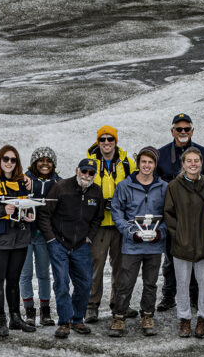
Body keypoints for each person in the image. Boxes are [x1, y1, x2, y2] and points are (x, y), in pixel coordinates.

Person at [38, 158, 104, 339]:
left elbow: (98, 217)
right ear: (77, 170)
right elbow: (44, 214)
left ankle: (77, 319)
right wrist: (51, 239)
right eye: (84, 171)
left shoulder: (97, 192)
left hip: (81, 245)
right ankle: (64, 322)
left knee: (85, 283)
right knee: (61, 283)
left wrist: (89, 237)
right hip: (59, 243)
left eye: (91, 173)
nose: (87, 175)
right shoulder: (61, 187)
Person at [156, 114, 204, 312]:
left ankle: (195, 297)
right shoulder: (162, 154)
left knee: (197, 258)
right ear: (172, 131)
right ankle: (168, 295)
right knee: (171, 259)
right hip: (172, 214)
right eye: (178, 129)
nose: (182, 132)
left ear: (192, 131)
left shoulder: (203, 153)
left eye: (186, 129)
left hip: (197, 218)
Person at [109, 147, 168, 337]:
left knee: (151, 282)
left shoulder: (164, 187)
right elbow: (117, 211)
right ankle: (119, 317)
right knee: (125, 282)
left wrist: (161, 233)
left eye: (150, 162)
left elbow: (169, 215)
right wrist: (130, 232)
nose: (146, 165)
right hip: (132, 244)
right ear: (138, 163)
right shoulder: (125, 186)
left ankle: (147, 315)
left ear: (155, 165)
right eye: (143, 162)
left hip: (154, 245)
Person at [85, 125, 137, 323]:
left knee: (121, 267)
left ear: (116, 141)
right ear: (98, 142)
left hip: (121, 224)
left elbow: (136, 187)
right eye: (103, 139)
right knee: (95, 266)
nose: (106, 143)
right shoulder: (90, 163)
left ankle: (119, 304)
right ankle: (91, 306)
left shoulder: (127, 163)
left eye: (110, 139)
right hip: (97, 223)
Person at [0, 145, 36, 338]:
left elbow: (30, 205)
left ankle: (15, 317)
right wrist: (2, 211)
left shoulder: (24, 182)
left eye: (13, 160)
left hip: (20, 238)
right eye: (6, 159)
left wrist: (30, 216)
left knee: (14, 280)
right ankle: (1, 319)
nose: (9, 163)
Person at [164, 146, 204, 337]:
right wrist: (178, 235)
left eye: (196, 161)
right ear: (183, 164)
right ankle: (184, 319)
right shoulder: (174, 186)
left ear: (201, 163)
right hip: (181, 245)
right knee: (182, 284)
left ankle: (202, 318)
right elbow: (168, 213)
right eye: (189, 161)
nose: (193, 164)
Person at [20, 146, 60, 326]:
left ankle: (45, 311)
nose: (45, 164)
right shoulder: (24, 179)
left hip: (45, 235)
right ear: (34, 163)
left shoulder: (58, 183)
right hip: (26, 234)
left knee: (44, 273)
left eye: (48, 161)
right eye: (41, 161)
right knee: (25, 273)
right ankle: (29, 311)